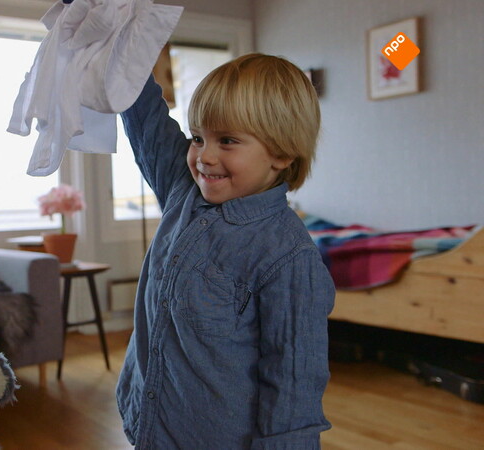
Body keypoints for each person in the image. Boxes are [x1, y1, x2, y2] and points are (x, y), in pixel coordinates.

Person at [115, 53, 335, 449]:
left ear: (282, 152)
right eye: (198, 137)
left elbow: (294, 384)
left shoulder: (288, 255)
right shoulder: (183, 190)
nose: (204, 156)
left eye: (227, 141)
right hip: (149, 423)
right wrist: (116, 38)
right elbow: (145, 116)